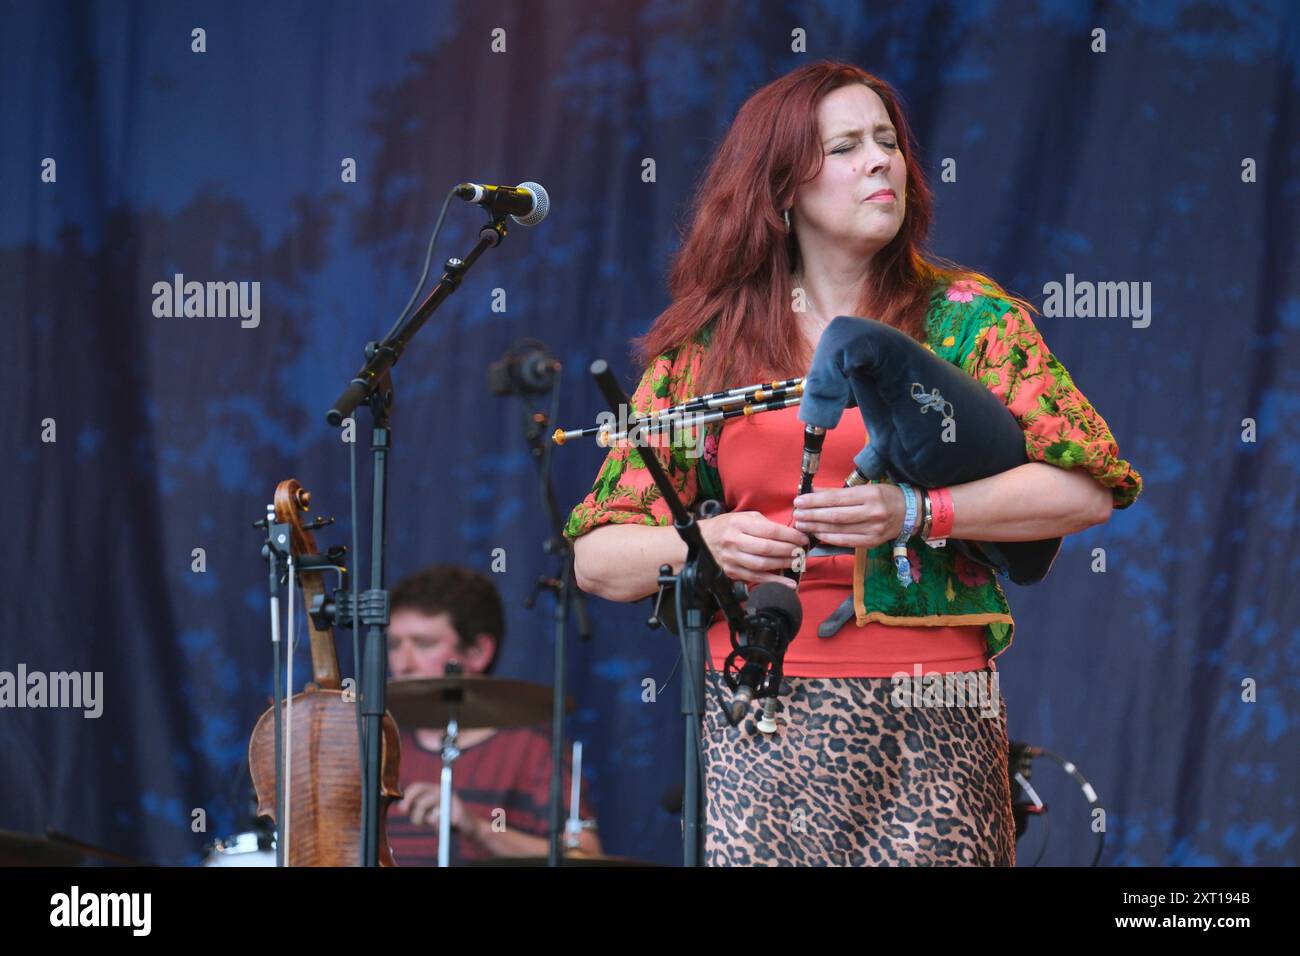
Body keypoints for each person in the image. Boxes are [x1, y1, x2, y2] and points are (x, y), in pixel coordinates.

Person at [564, 61, 1142, 866]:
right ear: (781, 190)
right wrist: (705, 544)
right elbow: (597, 556)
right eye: (845, 146)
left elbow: (1085, 488)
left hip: (936, 704)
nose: (880, 160)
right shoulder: (711, 348)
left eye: (887, 141)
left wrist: (918, 513)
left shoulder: (968, 318)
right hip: (763, 704)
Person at [384, 564, 602, 865]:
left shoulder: (532, 746)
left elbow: (585, 855)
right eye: (394, 645)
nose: (402, 663)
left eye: (423, 643)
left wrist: (475, 827)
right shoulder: (380, 744)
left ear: (478, 652)